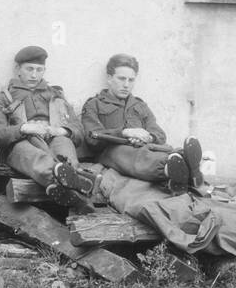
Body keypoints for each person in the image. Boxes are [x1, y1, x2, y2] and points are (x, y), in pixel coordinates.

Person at [0, 45, 94, 207]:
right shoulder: (3, 98)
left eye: (39, 70)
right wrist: (23, 129)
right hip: (23, 144)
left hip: (53, 138)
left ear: (44, 71)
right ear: (18, 69)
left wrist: (61, 130)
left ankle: (67, 180)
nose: (34, 75)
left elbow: (79, 132)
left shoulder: (56, 96)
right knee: (27, 152)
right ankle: (71, 183)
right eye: (29, 69)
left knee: (64, 143)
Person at [80, 54, 204, 192]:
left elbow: (159, 133)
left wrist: (149, 137)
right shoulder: (94, 104)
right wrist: (124, 133)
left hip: (144, 147)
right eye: (121, 79)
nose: (126, 85)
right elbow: (92, 137)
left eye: (131, 80)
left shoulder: (139, 105)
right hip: (112, 152)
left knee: (162, 149)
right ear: (109, 78)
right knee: (124, 153)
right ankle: (170, 168)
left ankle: (184, 162)